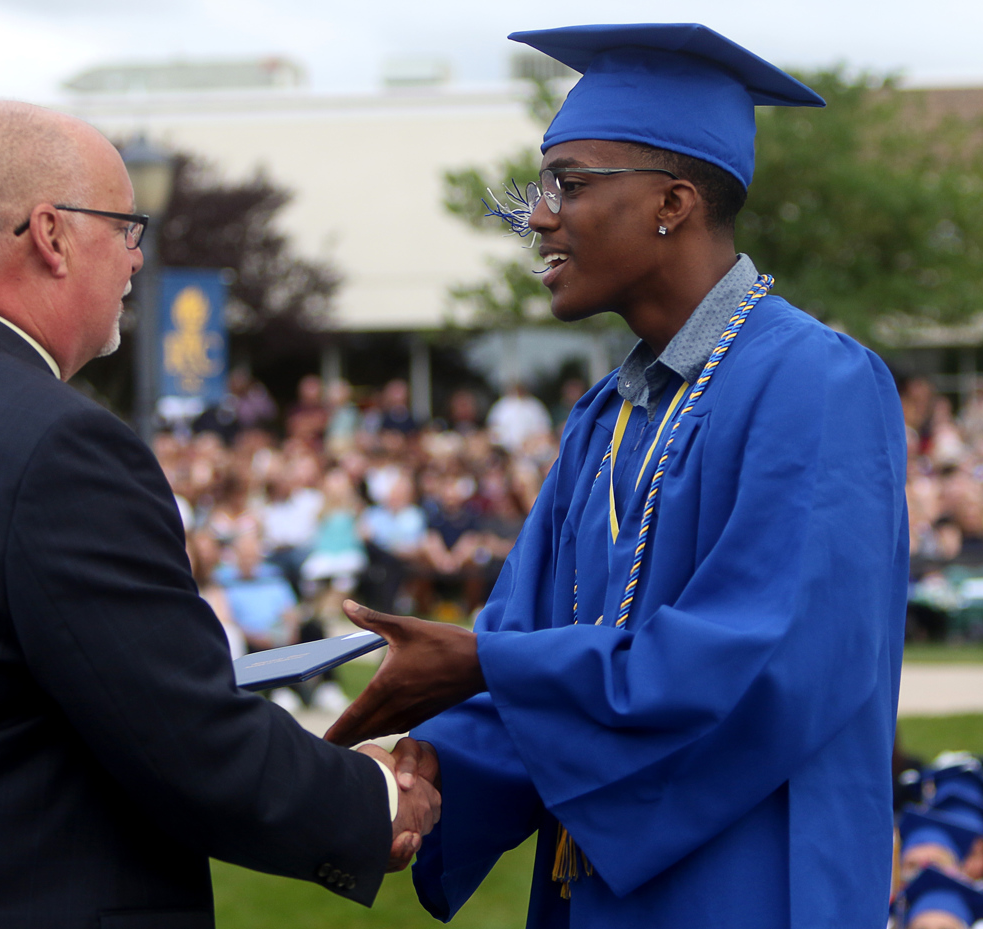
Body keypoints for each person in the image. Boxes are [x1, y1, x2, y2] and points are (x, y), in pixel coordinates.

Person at [0, 100, 437, 929]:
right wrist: (371, 797)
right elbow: (184, 743)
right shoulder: (58, 445)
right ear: (52, 233)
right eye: (127, 225)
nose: (138, 258)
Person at [324, 22, 907, 929]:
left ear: (673, 201)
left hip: (746, 875)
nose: (538, 215)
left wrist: (486, 664)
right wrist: (438, 764)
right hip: (590, 885)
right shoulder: (610, 412)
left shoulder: (814, 382)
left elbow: (771, 658)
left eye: (569, 183)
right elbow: (526, 635)